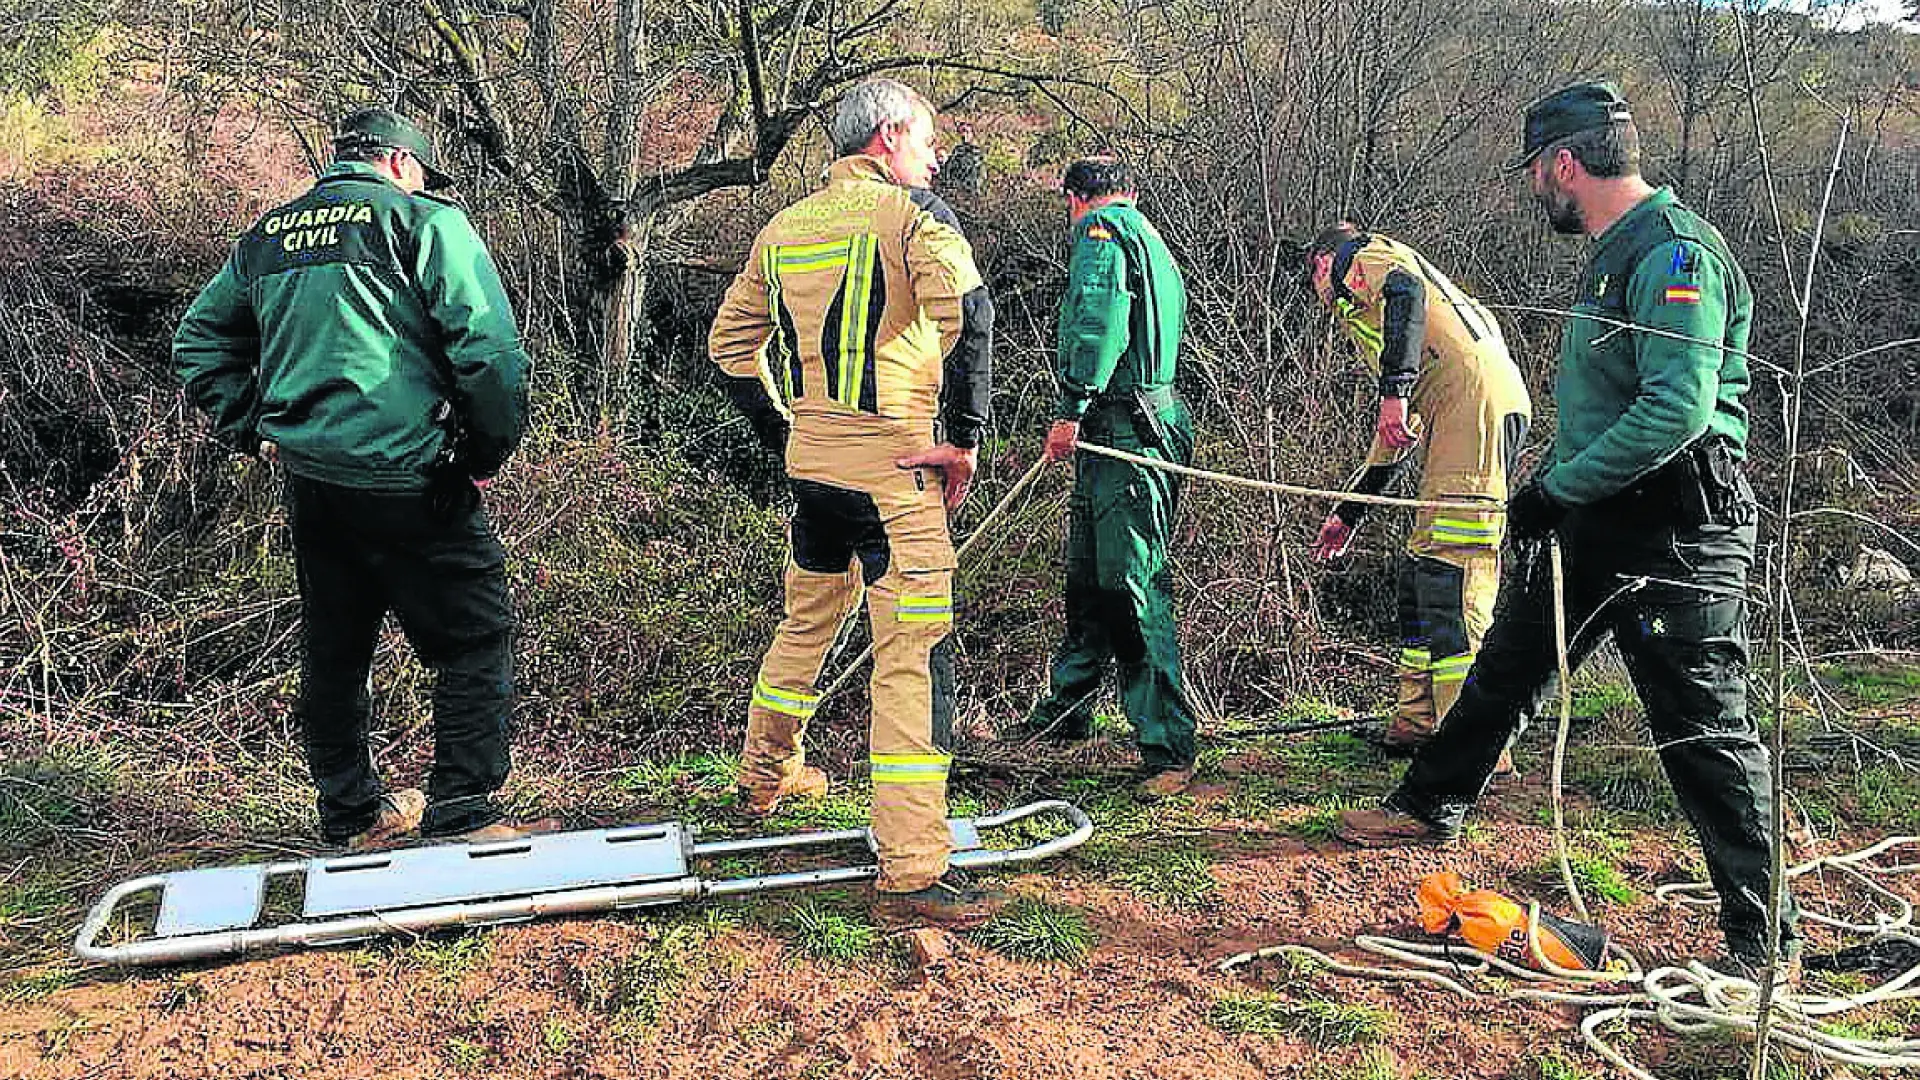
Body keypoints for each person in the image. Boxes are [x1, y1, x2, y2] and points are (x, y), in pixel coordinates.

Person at [1336, 81, 1800, 978]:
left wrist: (1557, 487)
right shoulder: (1611, 255)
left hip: (1673, 527)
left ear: (1563, 164)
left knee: (1703, 725)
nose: (1535, 192)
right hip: (1597, 514)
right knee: (1510, 659)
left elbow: (1676, 410)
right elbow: (1608, 406)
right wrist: (1553, 487)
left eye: (1535, 175)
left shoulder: (1674, 256)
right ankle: (1430, 802)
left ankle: (1760, 944)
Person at [174, 107, 534, 849]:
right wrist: (480, 456)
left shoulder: (268, 236)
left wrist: (255, 429)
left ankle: (352, 814)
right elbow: (491, 354)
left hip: (312, 479)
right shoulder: (423, 222)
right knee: (474, 637)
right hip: (411, 476)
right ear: (403, 165)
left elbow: (198, 340)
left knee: (337, 647)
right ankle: (463, 812)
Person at [708, 79, 998, 925]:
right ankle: (912, 868)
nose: (935, 157)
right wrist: (966, 437)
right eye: (929, 140)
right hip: (894, 476)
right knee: (912, 655)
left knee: (805, 624)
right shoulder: (916, 218)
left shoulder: (785, 226)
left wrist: (789, 434)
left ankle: (766, 777)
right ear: (891, 136)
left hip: (816, 473)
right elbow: (969, 315)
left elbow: (730, 349)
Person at [1304, 224, 1532, 773]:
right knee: (1422, 569)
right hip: (1461, 405)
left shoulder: (1362, 258)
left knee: (1453, 571)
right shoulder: (1401, 326)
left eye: (1315, 276)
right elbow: (1395, 436)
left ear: (1321, 263)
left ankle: (1474, 747)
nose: (1321, 292)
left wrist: (1394, 390)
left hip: (1473, 408)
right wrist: (1350, 513)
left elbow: (1406, 290)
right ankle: (1419, 720)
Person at [1004, 157, 1199, 798]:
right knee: (1089, 572)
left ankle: (1169, 745)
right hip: (1132, 422)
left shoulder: (1103, 236)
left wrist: (1071, 408)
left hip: (1126, 429)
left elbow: (1097, 322)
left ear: (1074, 200)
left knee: (1130, 582)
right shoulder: (1150, 236)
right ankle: (1067, 709)